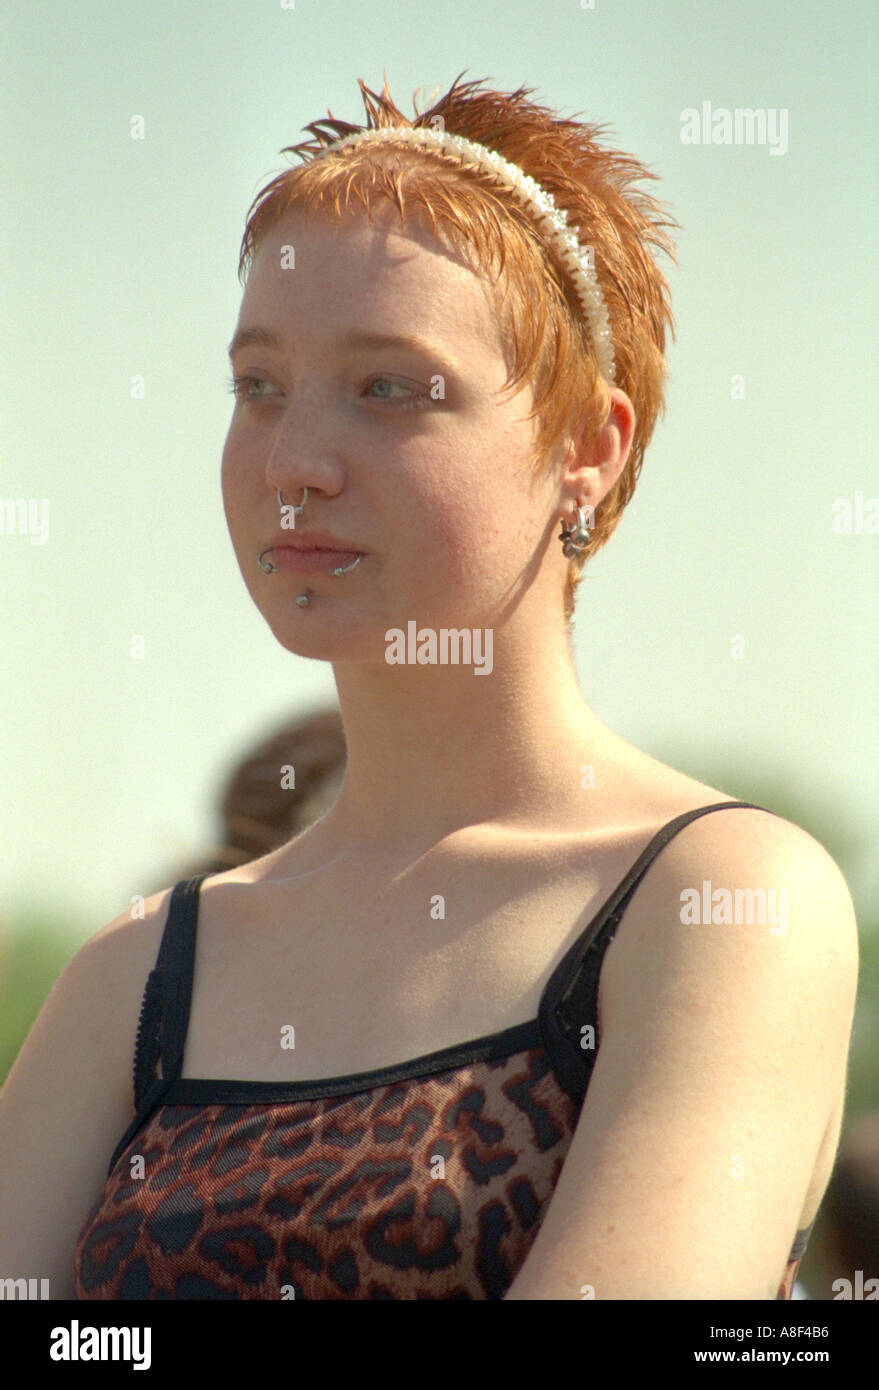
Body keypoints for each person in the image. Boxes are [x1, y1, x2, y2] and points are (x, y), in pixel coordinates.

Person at [0, 73, 858, 1301]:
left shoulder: (718, 902)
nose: (295, 463)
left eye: (389, 387)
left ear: (588, 448)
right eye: (258, 385)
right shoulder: (137, 974)